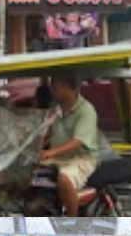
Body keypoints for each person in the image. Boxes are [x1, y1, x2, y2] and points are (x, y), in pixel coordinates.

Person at [40, 72, 100, 218]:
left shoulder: (85, 110)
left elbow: (78, 141)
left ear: (67, 88)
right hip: (61, 157)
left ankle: (72, 224)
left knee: (64, 179)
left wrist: (50, 153)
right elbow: (48, 133)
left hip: (81, 158)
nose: (51, 90)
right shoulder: (57, 109)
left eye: (55, 86)